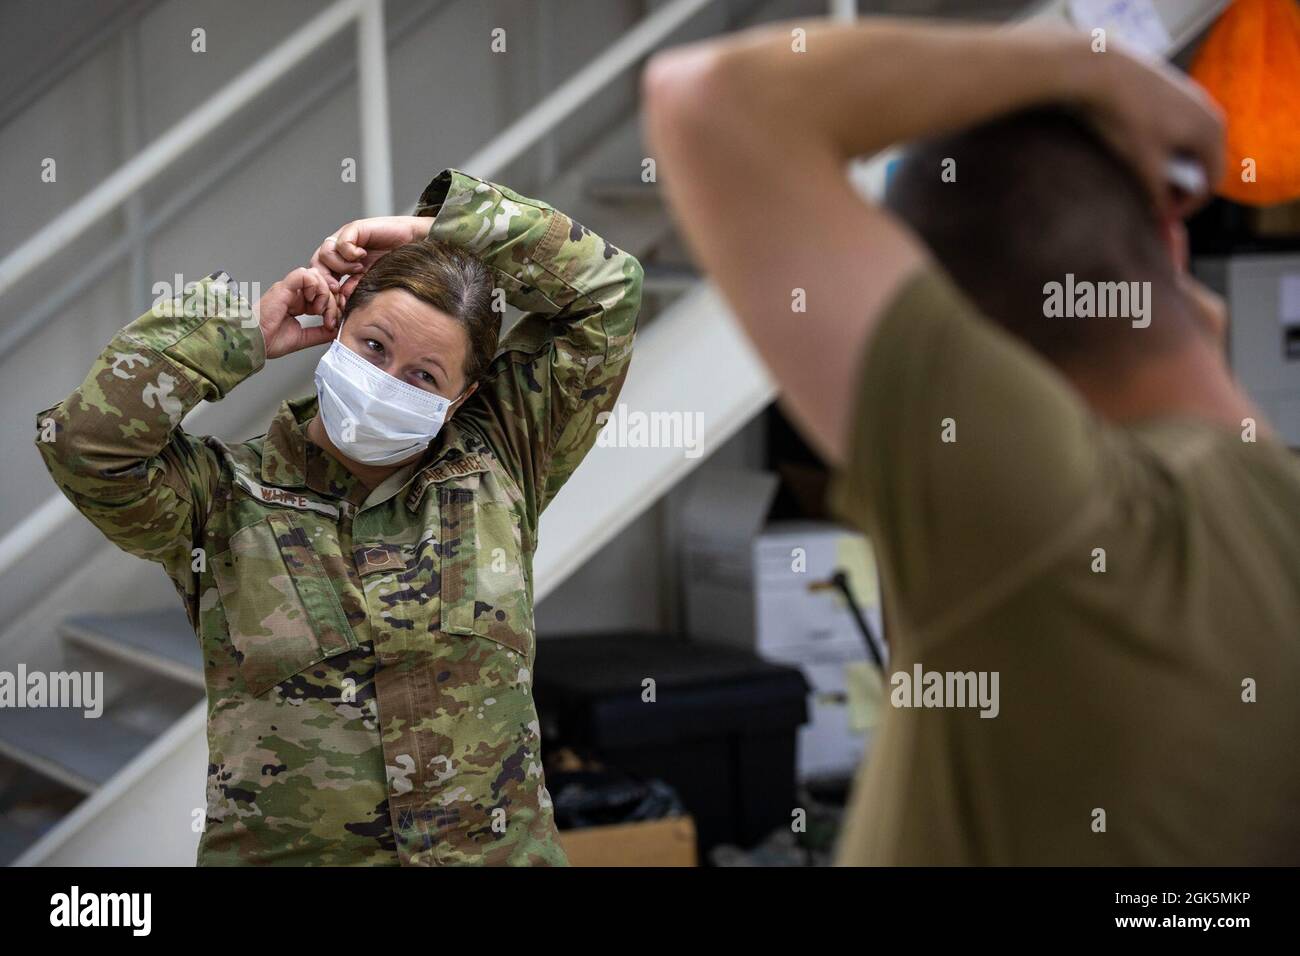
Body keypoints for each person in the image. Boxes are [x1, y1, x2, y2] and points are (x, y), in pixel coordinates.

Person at [643, 18, 1300, 864]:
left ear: (964, 333)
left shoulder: (1061, 519)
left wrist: (1091, 60)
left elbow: (710, 101)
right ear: (1169, 239)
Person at [35, 168, 643, 865]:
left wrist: (442, 229)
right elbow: (83, 446)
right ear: (337, 326)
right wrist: (239, 338)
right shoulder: (221, 496)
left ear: (463, 394)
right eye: (374, 347)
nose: (387, 382)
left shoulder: (501, 457)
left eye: (423, 375)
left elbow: (608, 291)